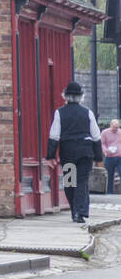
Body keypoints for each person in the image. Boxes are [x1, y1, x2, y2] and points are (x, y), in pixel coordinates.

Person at [46, 81, 104, 222]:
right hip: (85, 152)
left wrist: (51, 156)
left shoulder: (59, 113)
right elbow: (96, 136)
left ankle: (74, 211)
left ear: (65, 96)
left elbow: (54, 135)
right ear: (81, 97)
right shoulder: (87, 112)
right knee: (82, 181)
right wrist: (98, 157)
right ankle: (80, 211)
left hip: (68, 151)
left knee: (70, 181)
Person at [102, 120, 121, 195]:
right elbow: (102, 143)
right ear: (110, 125)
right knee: (109, 175)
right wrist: (106, 150)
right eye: (114, 127)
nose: (116, 129)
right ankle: (109, 192)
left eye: (117, 127)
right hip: (109, 156)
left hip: (119, 156)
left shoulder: (120, 132)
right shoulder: (105, 132)